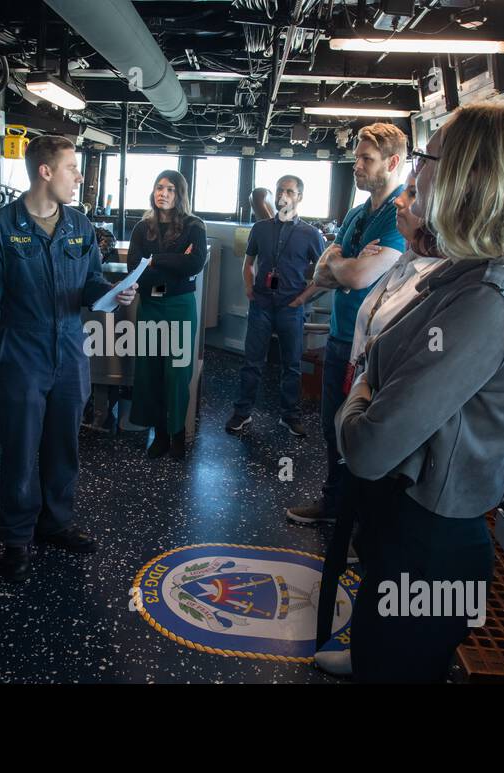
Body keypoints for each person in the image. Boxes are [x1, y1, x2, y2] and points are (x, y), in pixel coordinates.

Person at [335, 100, 504, 682]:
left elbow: (368, 450)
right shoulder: (466, 274)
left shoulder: (486, 301)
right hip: (412, 533)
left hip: (429, 546)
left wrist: (363, 387)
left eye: (428, 156)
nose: (416, 171)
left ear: (472, 174)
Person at [0, 134, 136, 582]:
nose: (79, 177)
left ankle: (56, 523)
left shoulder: (80, 225)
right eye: (72, 168)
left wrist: (113, 292)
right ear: (45, 171)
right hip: (22, 348)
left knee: (64, 444)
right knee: (18, 446)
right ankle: (15, 539)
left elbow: (91, 282)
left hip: (71, 348)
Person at [313, 166, 445, 677]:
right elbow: (335, 270)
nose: (400, 202)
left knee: (389, 543)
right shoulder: (407, 258)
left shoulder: (448, 279)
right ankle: (367, 645)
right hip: (362, 387)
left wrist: (366, 381)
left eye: (412, 194)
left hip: (385, 419)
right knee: (372, 538)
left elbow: (352, 277)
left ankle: (379, 656)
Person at [285, 123, 407, 526]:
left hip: (374, 348)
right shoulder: (358, 213)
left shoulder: (399, 214)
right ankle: (334, 504)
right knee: (332, 428)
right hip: (341, 338)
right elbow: (321, 273)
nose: (356, 166)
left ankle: (360, 522)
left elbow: (356, 278)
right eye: (355, 157)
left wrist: (342, 264)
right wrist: (342, 262)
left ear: (392, 162)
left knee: (364, 436)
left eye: (365, 159)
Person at [226, 175, 325, 437]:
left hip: (291, 308)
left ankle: (289, 416)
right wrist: (248, 286)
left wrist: (303, 298)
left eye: (290, 191)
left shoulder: (310, 234)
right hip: (261, 305)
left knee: (291, 365)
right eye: (280, 190)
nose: (283, 195)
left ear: (299, 197)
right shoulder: (260, 229)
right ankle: (243, 413)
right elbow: (248, 263)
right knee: (252, 362)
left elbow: (324, 274)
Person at [127, 170, 208, 459]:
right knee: (150, 374)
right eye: (159, 187)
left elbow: (194, 265)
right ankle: (158, 434)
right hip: (150, 305)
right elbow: (134, 268)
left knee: (177, 374)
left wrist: (156, 261)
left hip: (180, 306)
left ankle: (177, 436)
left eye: (170, 189)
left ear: (180, 194)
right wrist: (173, 264)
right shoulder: (141, 227)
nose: (163, 193)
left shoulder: (194, 226)